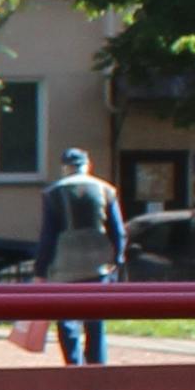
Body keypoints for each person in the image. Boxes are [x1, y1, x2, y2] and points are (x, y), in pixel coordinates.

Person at [36, 147, 127, 365]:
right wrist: (118, 259)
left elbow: (48, 235)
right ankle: (97, 366)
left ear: (64, 168)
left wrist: (41, 268)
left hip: (64, 265)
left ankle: (73, 365)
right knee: (95, 319)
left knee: (66, 318)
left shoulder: (53, 193)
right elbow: (118, 231)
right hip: (98, 264)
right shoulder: (106, 190)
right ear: (87, 165)